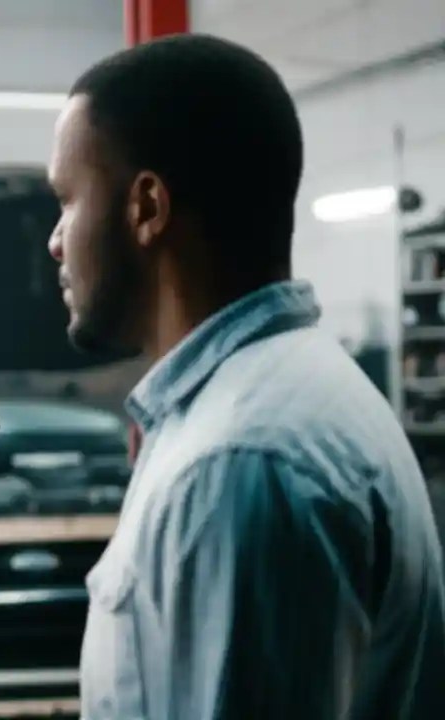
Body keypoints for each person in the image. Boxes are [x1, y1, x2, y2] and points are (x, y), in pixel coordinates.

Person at [47, 33, 445, 719]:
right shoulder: (273, 401)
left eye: (68, 200)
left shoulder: (240, 461)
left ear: (147, 208)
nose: (56, 239)